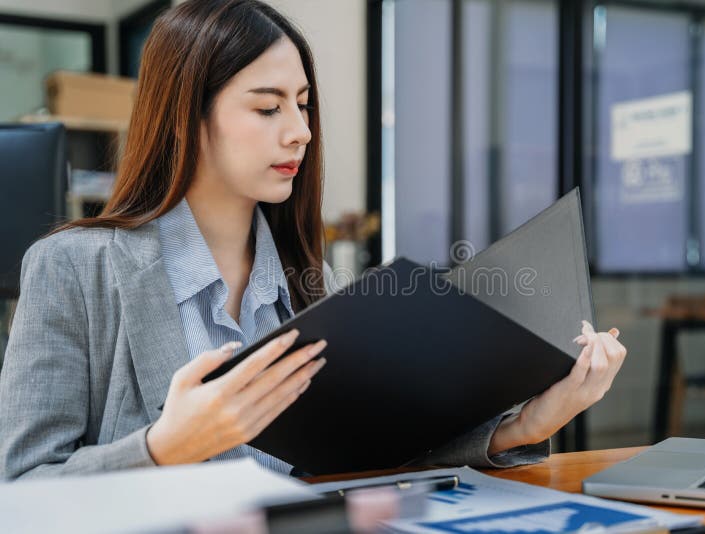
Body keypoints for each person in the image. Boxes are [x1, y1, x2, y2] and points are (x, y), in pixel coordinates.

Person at [0, 0, 626, 480]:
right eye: (268, 107)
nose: (300, 130)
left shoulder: (304, 282)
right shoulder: (72, 268)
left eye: (303, 105)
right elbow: (23, 488)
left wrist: (522, 425)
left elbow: (363, 457)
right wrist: (163, 449)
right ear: (187, 117)